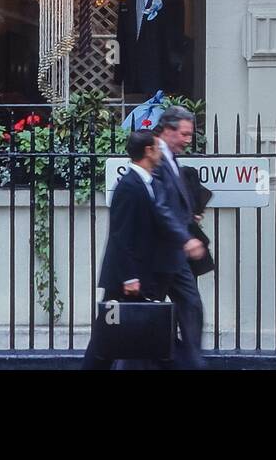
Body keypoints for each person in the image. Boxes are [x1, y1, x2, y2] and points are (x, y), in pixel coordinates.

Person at [82, 128, 166, 370]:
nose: (161, 152)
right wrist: (129, 277)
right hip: (124, 279)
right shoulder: (129, 186)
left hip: (135, 275)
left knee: (117, 335)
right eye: (158, 148)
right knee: (105, 338)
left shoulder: (146, 182)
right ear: (148, 151)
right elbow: (121, 235)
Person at [150, 105, 207, 369]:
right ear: (167, 130)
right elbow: (159, 206)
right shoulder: (154, 157)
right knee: (149, 312)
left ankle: (192, 361)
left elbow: (171, 200)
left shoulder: (171, 157)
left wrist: (189, 215)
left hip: (175, 255)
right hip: (159, 252)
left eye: (189, 134)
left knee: (191, 306)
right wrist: (185, 238)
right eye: (184, 134)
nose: (187, 140)